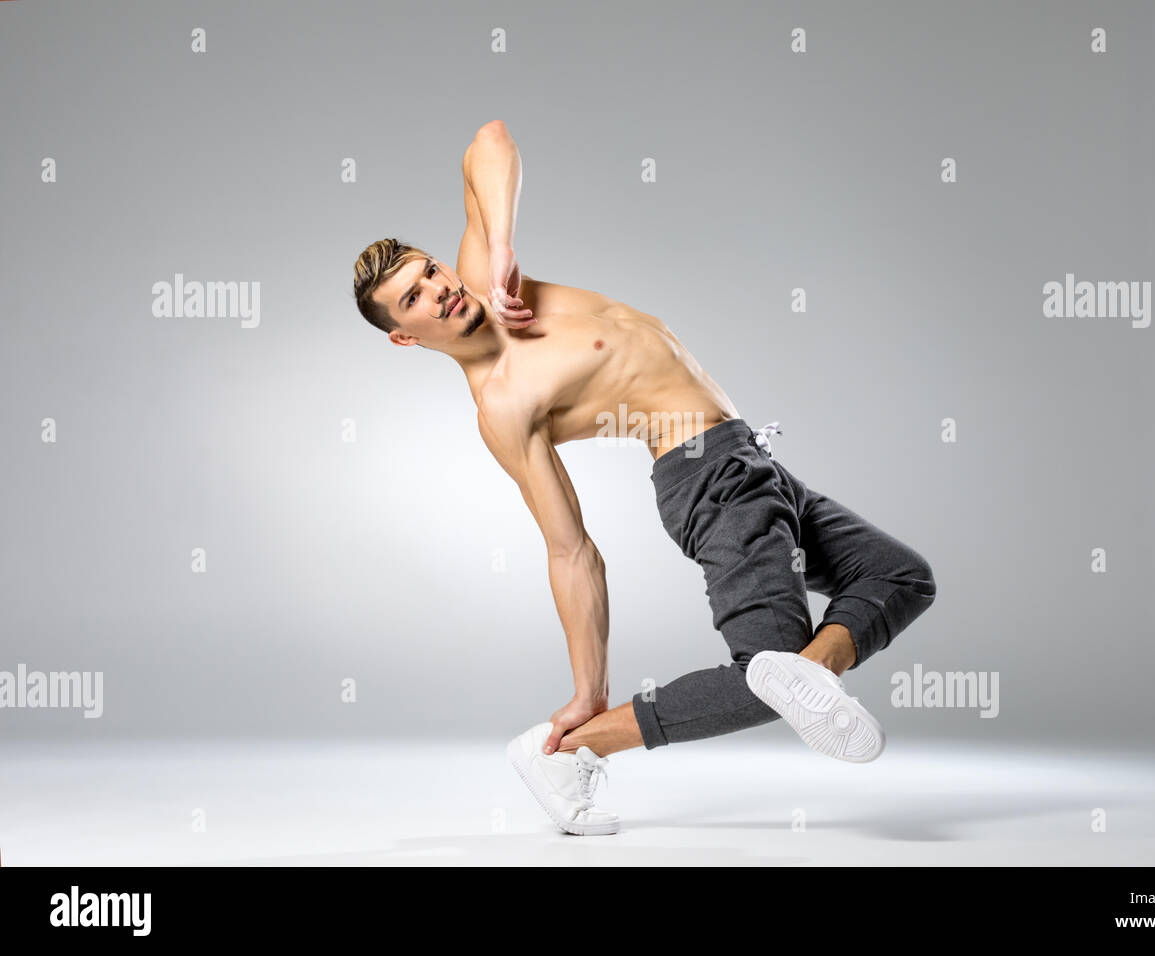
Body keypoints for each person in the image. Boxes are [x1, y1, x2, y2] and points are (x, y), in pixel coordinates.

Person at [352, 120, 937, 835]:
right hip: (709, 480)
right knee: (767, 672)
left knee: (899, 577)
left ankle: (807, 676)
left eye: (429, 272)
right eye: (413, 299)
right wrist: (587, 693)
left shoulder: (483, 274)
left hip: (752, 460)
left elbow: (489, 141)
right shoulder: (503, 403)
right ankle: (570, 749)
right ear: (404, 337)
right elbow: (572, 551)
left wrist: (501, 247)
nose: (439, 291)